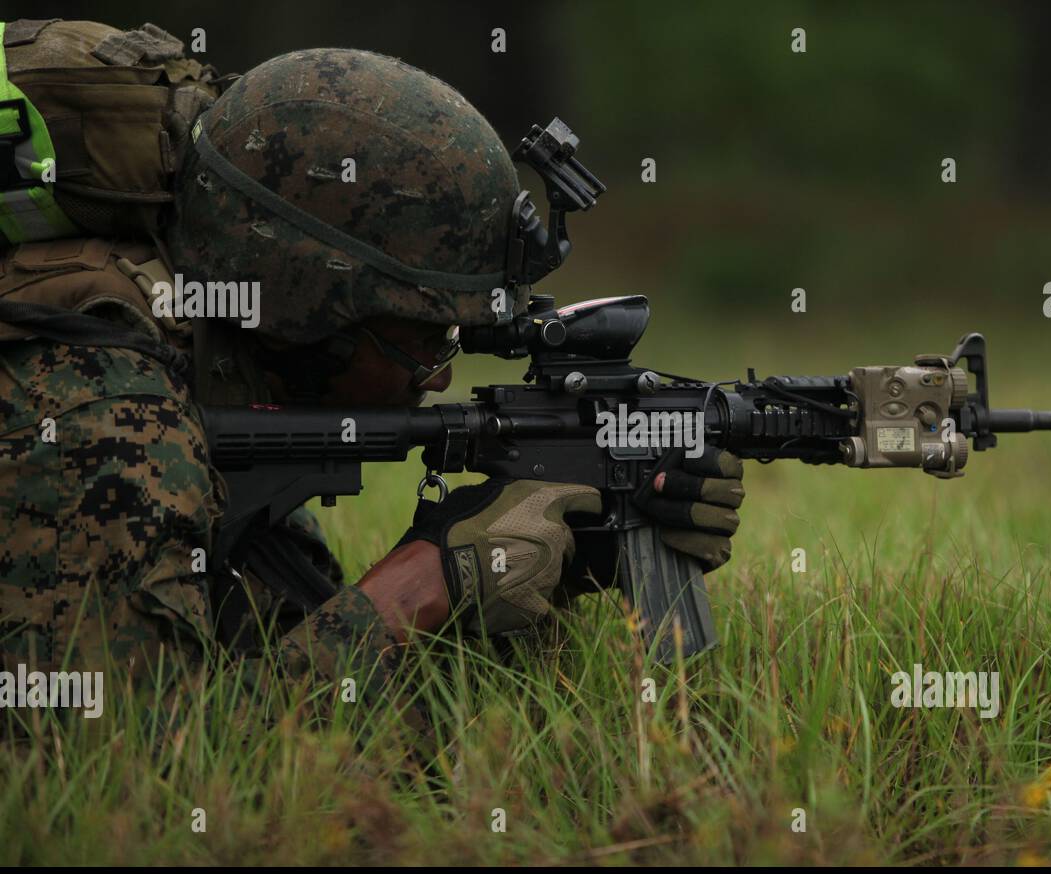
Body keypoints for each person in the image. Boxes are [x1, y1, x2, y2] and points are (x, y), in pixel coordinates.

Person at [0, 33, 744, 697]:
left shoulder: (221, 367)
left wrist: (555, 559)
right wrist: (423, 583)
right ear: (309, 308)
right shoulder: (96, 408)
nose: (441, 378)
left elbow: (284, 666)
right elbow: (136, 760)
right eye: (426, 339)